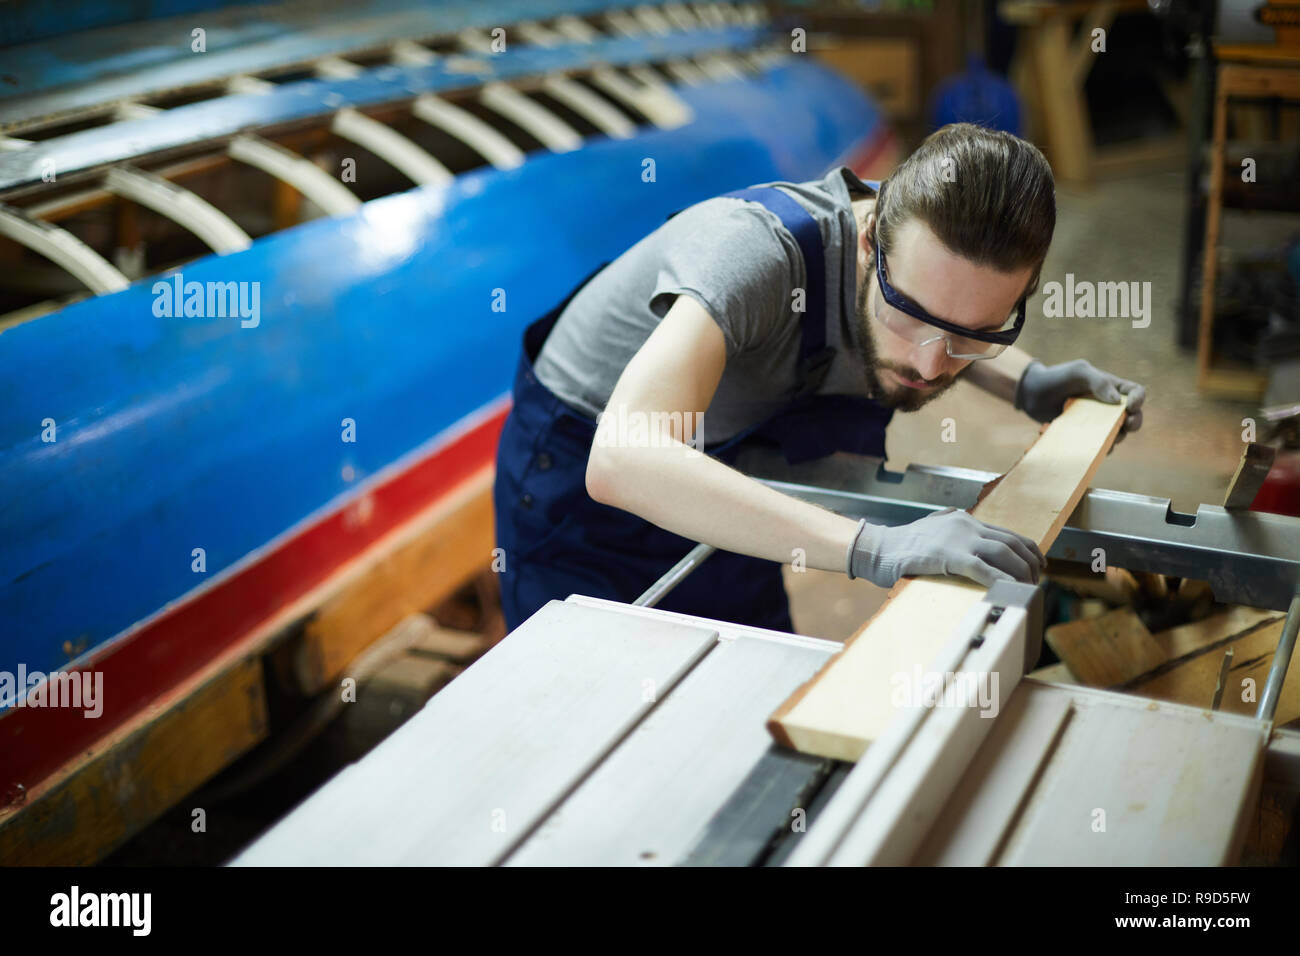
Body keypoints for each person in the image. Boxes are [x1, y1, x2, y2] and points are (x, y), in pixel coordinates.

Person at [493, 123, 1146, 633]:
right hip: (581, 496)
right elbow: (624, 460)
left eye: (977, 333)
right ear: (868, 242)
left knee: (746, 695)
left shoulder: (920, 246)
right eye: (908, 317)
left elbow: (944, 309)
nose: (930, 365)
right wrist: (874, 547)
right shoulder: (750, 255)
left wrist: (1026, 382)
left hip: (725, 471)